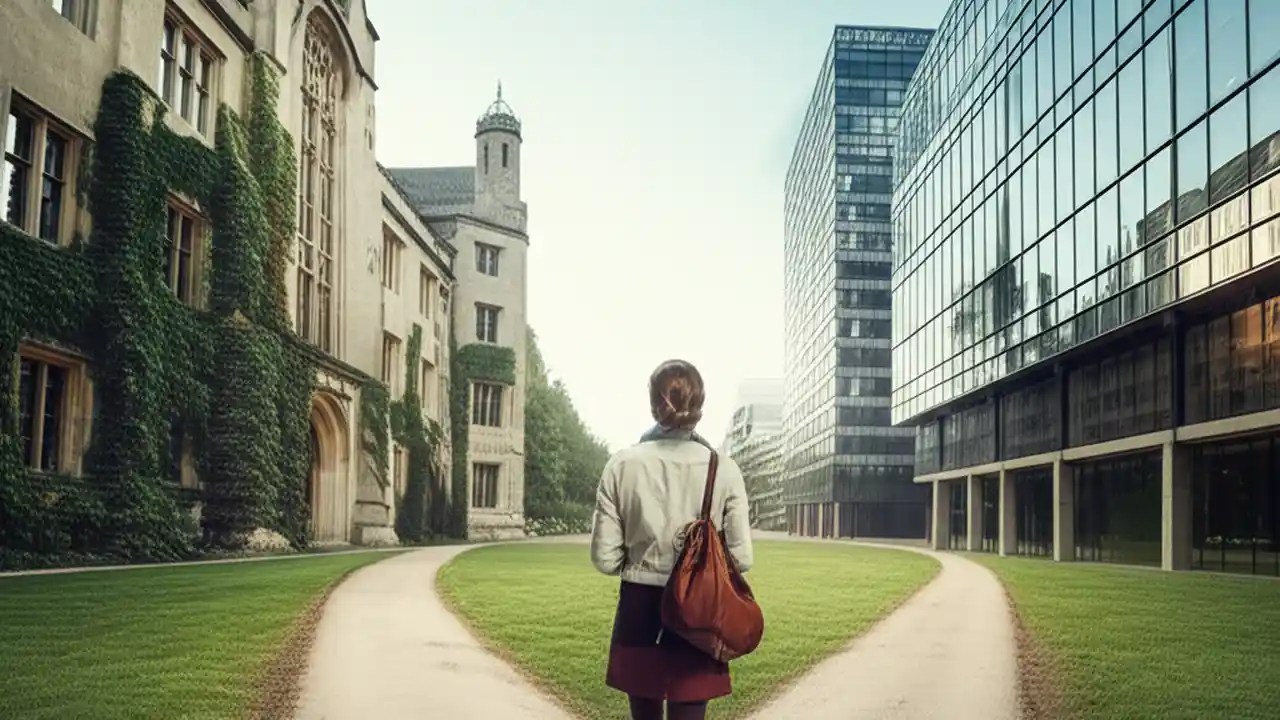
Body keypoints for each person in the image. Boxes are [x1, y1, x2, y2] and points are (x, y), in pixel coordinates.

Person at [590, 359, 754, 720]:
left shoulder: (621, 464)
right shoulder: (723, 469)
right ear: (700, 405)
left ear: (653, 405)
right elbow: (742, 558)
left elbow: (604, 559)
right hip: (699, 608)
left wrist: (642, 558)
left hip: (639, 606)